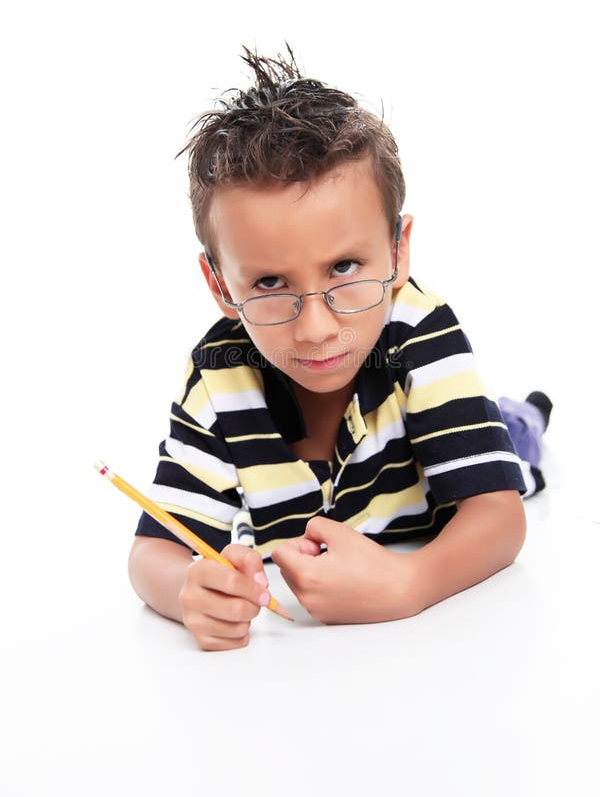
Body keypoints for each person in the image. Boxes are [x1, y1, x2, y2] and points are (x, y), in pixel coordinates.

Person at [128, 47, 552, 651]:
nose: (317, 329)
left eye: (345, 267)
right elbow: (154, 550)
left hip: (444, 485)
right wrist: (190, 590)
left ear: (398, 252)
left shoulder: (420, 330)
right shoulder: (218, 375)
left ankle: (524, 416)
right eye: (270, 283)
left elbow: (499, 518)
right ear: (221, 284)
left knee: (516, 443)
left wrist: (410, 582)